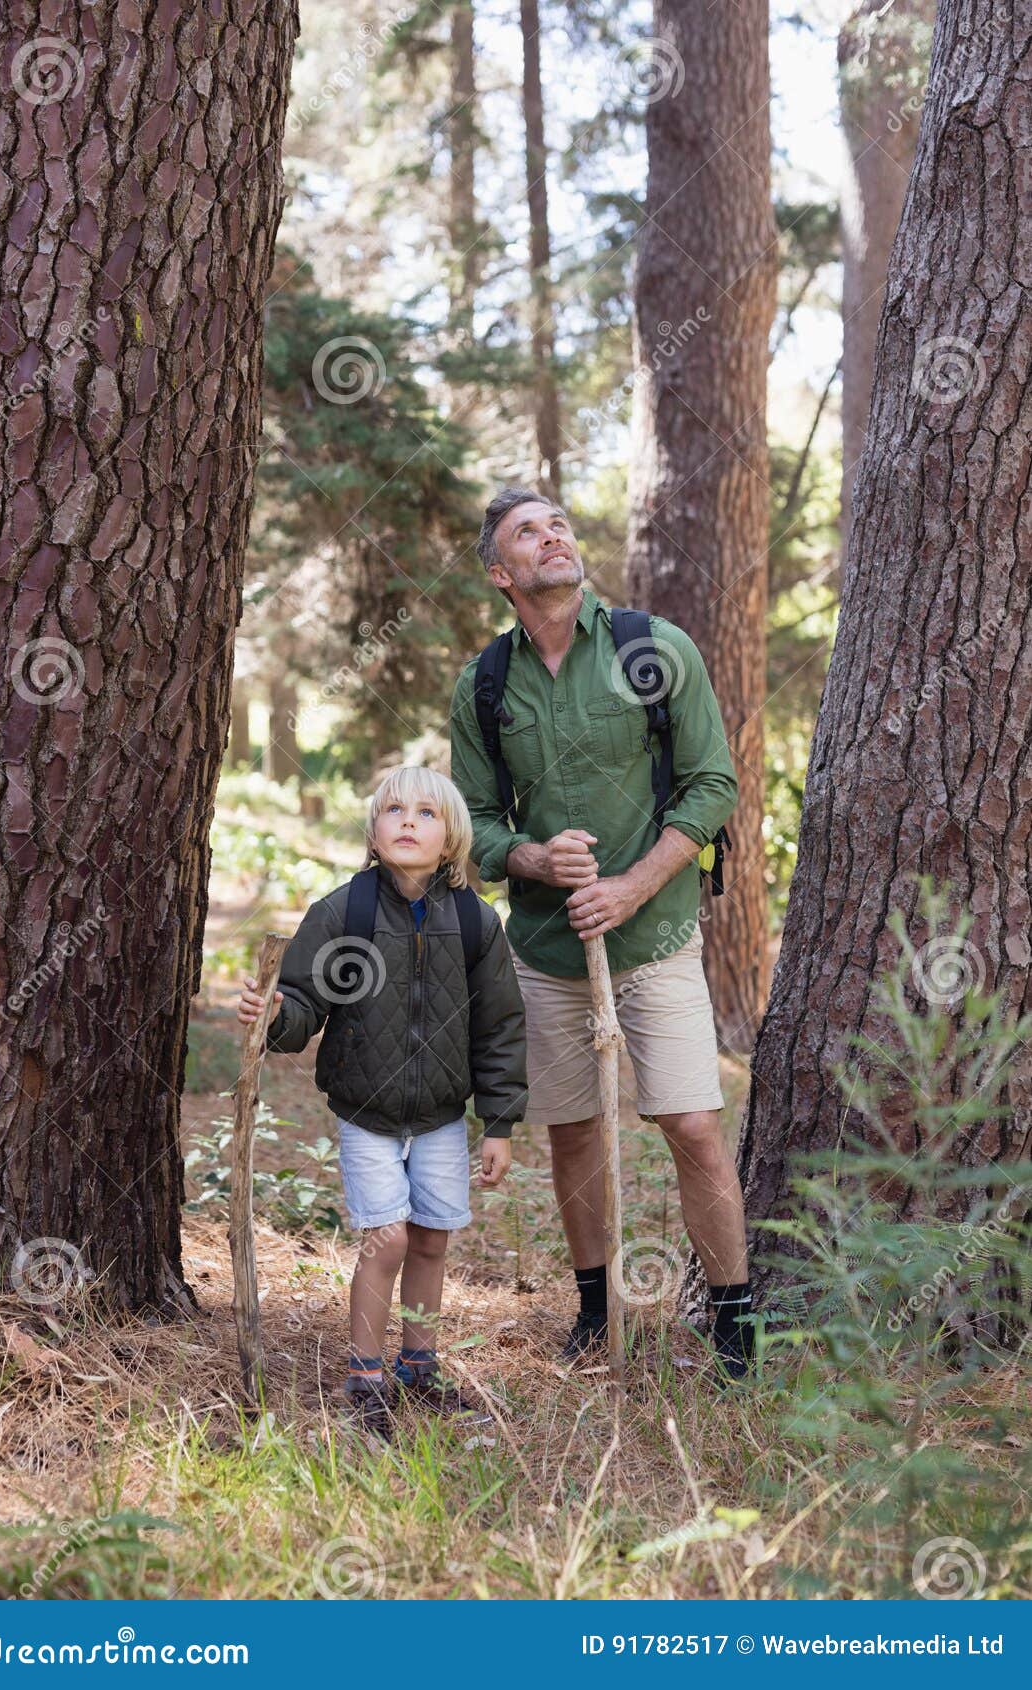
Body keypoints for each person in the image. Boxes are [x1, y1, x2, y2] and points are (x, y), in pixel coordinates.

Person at [449, 487, 754, 1380]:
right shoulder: (486, 685)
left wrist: (629, 886)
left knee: (693, 1124)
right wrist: (533, 860)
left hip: (654, 937)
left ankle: (736, 1330)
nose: (553, 538)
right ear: (502, 574)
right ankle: (594, 1311)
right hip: (546, 954)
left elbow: (709, 786)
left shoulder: (652, 650)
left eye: (558, 524)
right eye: (527, 533)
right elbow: (471, 821)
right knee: (573, 1131)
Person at [237, 765, 527, 1439]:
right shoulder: (345, 912)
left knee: (430, 1238)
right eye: (392, 809)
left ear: (452, 837)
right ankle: (365, 1374)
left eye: (426, 813)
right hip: (365, 1111)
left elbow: (500, 1027)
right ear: (372, 831)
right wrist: (274, 1015)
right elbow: (304, 1002)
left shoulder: (476, 923)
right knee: (387, 1236)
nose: (406, 820)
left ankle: (417, 1368)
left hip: (442, 1116)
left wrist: (501, 1122)